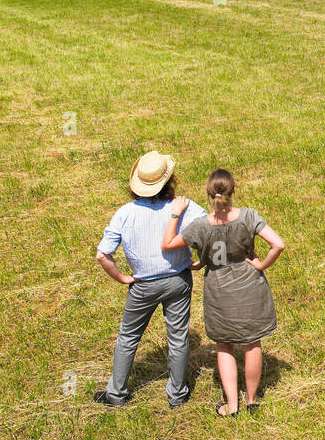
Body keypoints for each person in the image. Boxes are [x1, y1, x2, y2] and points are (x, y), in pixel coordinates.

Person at [162, 169, 284, 416]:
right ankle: (252, 400)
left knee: (224, 346)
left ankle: (232, 405)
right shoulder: (249, 216)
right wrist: (261, 264)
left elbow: (167, 244)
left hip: (219, 290)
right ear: (234, 191)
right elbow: (278, 244)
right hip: (250, 286)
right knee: (253, 343)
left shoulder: (200, 226)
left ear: (209, 194)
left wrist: (175, 214)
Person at [94, 151, 206, 408]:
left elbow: (102, 255)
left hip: (142, 285)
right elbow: (211, 230)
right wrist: (200, 261)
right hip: (178, 281)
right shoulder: (183, 207)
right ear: (169, 181)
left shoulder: (125, 213)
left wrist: (122, 277)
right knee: (178, 337)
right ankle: (177, 396)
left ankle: (116, 394)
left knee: (128, 337)